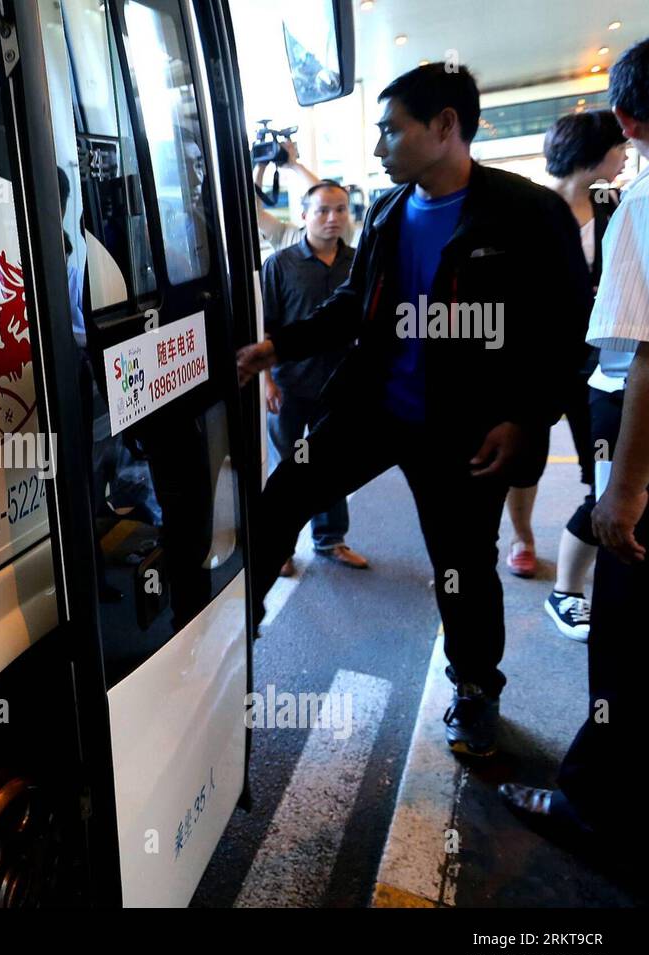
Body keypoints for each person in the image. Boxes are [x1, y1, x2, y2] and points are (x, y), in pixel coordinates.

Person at [236, 63, 591, 758]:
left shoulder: (524, 212)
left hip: (468, 431)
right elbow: (352, 306)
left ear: (445, 127)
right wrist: (275, 346)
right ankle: (234, 637)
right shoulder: (394, 214)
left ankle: (477, 691)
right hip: (378, 407)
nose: (379, 148)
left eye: (391, 130)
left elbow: (565, 329)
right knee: (284, 495)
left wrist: (526, 417)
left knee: (462, 566)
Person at [499, 37, 649, 846]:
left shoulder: (634, 205)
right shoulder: (548, 210)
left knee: (624, 620)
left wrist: (624, 492)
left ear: (630, 123)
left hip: (612, 388)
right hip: (575, 377)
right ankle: (533, 547)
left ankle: (595, 805)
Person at [502, 111, 629, 586]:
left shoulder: (614, 205)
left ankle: (586, 549)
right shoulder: (527, 209)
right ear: (590, 155)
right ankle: (522, 537)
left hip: (594, 359)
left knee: (597, 460)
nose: (623, 157)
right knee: (525, 458)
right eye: (618, 149)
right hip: (532, 362)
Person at [262, 180, 369, 575]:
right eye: (323, 210)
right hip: (289, 386)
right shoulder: (280, 264)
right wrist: (267, 383)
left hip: (340, 386)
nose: (332, 218)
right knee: (288, 469)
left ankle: (330, 540)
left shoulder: (360, 263)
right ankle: (281, 548)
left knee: (331, 466)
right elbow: (266, 327)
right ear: (304, 215)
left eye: (340, 210)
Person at [255, 140, 331, 251]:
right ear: (304, 214)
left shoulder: (336, 234)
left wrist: (295, 165)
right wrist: (260, 166)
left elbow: (325, 198)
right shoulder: (284, 234)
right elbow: (252, 213)